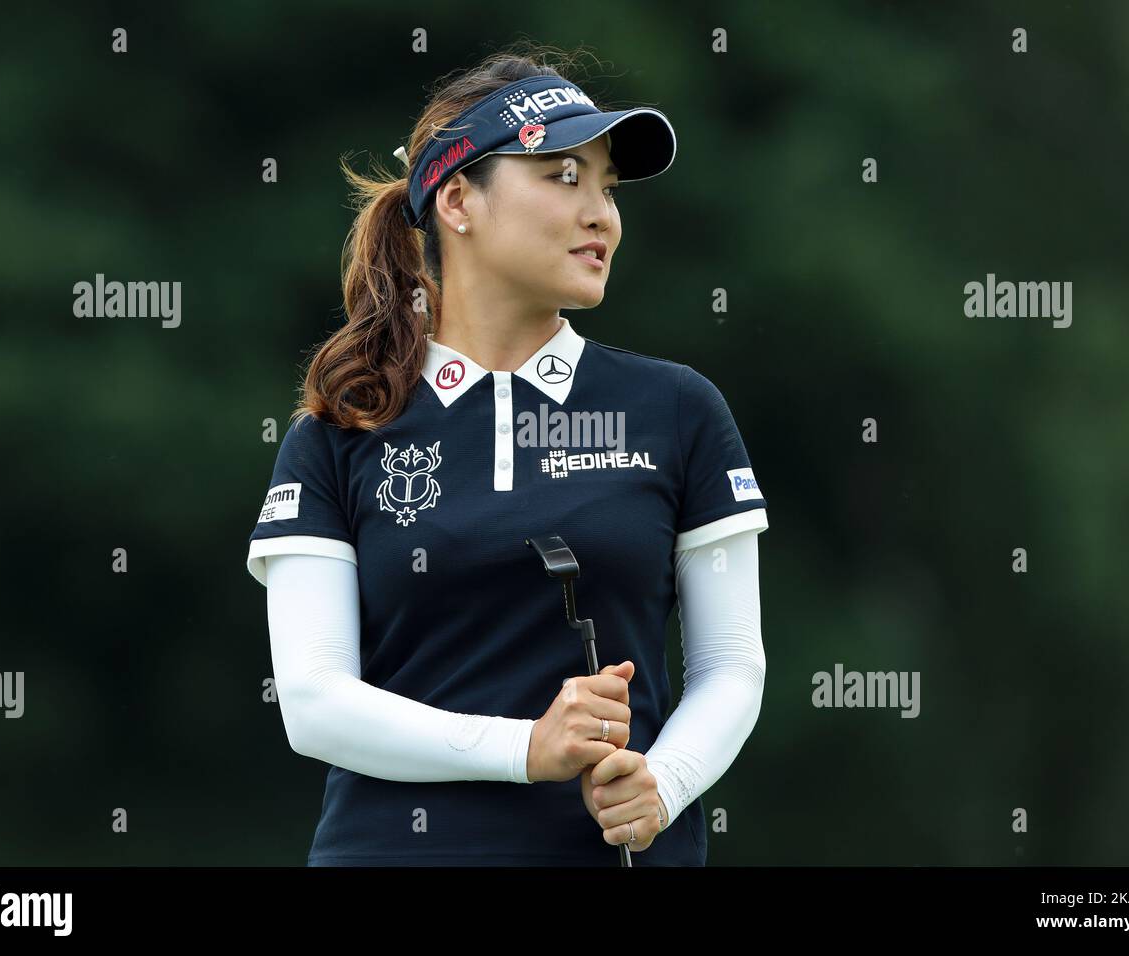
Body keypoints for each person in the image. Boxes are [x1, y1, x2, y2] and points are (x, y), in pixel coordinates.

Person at [245, 46, 768, 866]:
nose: (603, 215)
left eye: (608, 187)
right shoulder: (338, 433)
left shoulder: (678, 410)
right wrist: (526, 748)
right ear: (457, 200)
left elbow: (731, 664)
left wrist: (663, 784)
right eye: (564, 176)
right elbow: (313, 704)